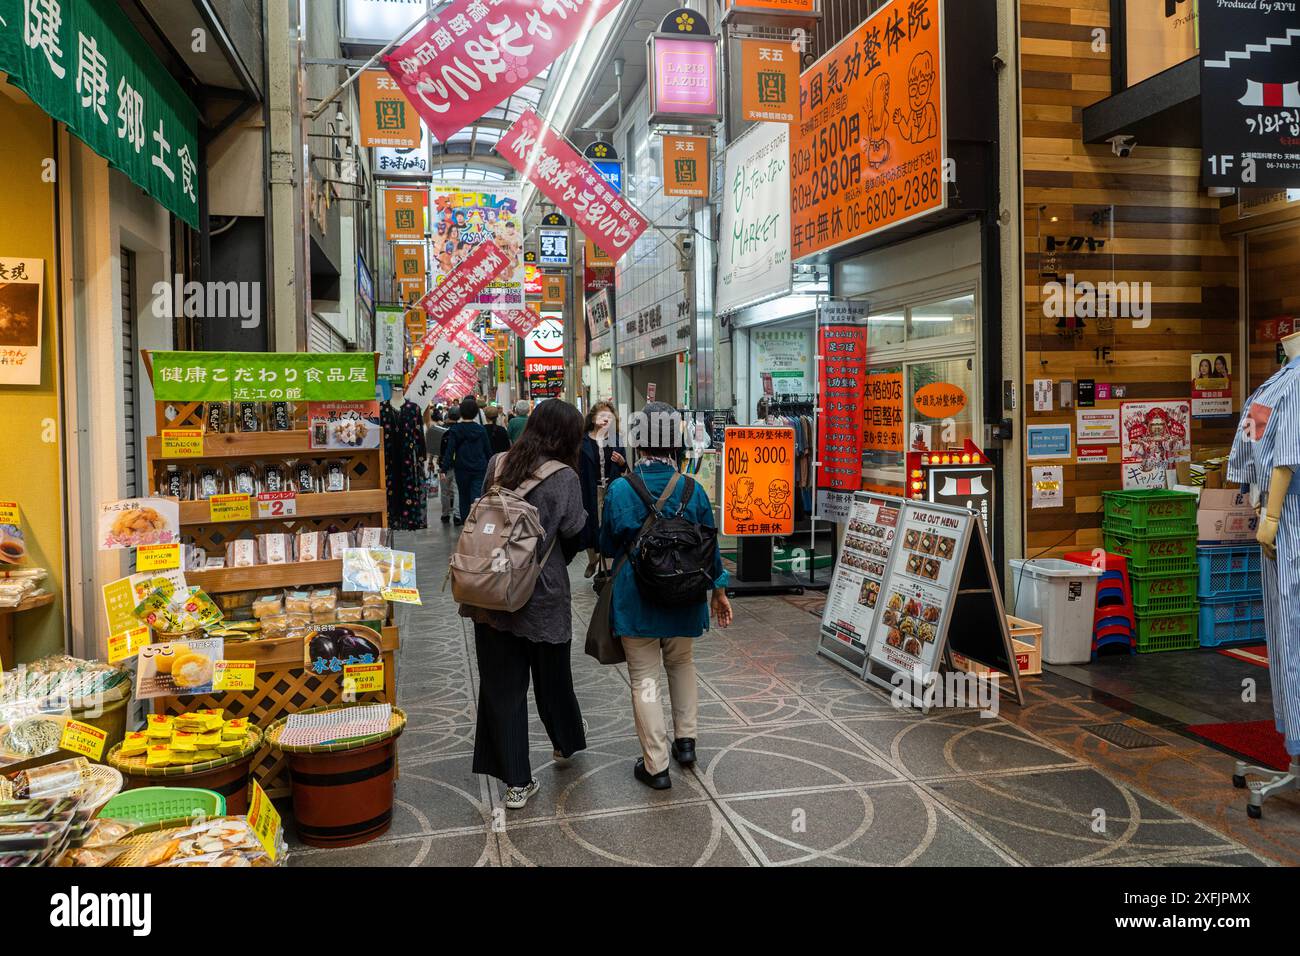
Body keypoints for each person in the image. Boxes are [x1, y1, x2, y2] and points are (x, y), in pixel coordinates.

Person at [599, 401, 732, 790]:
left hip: (637, 597)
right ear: (676, 444)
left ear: (638, 444)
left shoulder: (621, 489)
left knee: (645, 677)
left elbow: (607, 546)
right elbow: (712, 547)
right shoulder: (694, 489)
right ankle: (686, 743)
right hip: (686, 594)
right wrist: (718, 592)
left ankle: (655, 766)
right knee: (682, 663)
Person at [463, 399, 589, 809]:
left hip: (491, 588)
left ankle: (517, 781)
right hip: (543, 592)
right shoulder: (565, 475)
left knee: (502, 688)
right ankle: (565, 743)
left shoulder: (498, 463)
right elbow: (574, 529)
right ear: (568, 436)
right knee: (552, 679)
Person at [578, 401, 627, 577]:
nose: (606, 419)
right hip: (589, 489)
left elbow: (624, 469)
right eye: (602, 415)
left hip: (611, 488)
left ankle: (605, 566)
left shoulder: (616, 439)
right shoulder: (582, 441)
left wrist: (622, 463)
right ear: (592, 418)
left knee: (608, 524)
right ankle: (593, 560)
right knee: (591, 525)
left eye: (609, 416)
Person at [439, 397, 492, 525]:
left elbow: (450, 451)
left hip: (461, 468)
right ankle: (476, 524)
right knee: (477, 497)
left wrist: (443, 469)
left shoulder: (456, 430)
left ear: (461, 413)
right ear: (476, 413)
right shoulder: (481, 429)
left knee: (463, 496)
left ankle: (466, 524)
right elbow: (488, 450)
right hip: (479, 467)